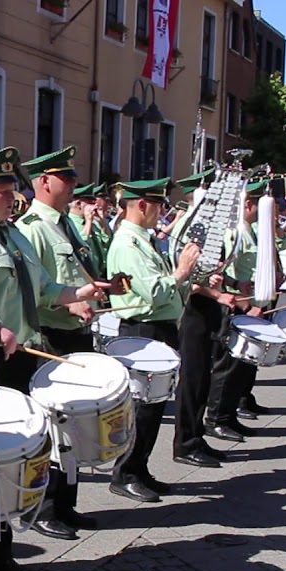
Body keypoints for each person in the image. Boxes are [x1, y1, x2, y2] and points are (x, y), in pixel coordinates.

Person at [0, 147, 111, 571]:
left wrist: (79, 290)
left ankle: (0, 549)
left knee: (11, 458)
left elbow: (43, 288)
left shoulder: (12, 236)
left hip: (21, 359)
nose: (10, 194)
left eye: (12, 186)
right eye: (0, 187)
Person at [16, 145, 98, 540]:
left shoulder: (67, 224)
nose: (73, 184)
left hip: (75, 334)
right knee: (53, 425)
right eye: (66, 177)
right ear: (44, 181)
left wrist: (89, 294)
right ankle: (46, 507)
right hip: (52, 337)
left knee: (75, 424)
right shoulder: (33, 226)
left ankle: (66, 503)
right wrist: (70, 307)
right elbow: (37, 291)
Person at [106, 179, 201, 502]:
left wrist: (184, 280)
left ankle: (140, 467)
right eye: (158, 205)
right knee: (140, 408)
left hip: (157, 329)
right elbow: (152, 292)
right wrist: (180, 273)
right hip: (141, 331)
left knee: (154, 406)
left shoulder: (143, 241)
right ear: (141, 205)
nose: (162, 211)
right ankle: (126, 472)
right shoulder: (127, 244)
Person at [169, 170, 237, 470]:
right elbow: (186, 279)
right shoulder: (191, 227)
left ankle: (196, 436)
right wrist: (216, 292)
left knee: (203, 377)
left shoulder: (209, 226)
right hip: (192, 309)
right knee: (192, 379)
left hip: (204, 306)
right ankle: (186, 443)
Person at [204, 181, 267, 444]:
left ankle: (228, 415)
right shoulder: (235, 232)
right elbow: (226, 271)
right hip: (235, 304)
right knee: (227, 366)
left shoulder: (250, 231)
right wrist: (246, 301)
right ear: (249, 204)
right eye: (258, 205)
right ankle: (216, 418)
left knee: (241, 365)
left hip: (246, 301)